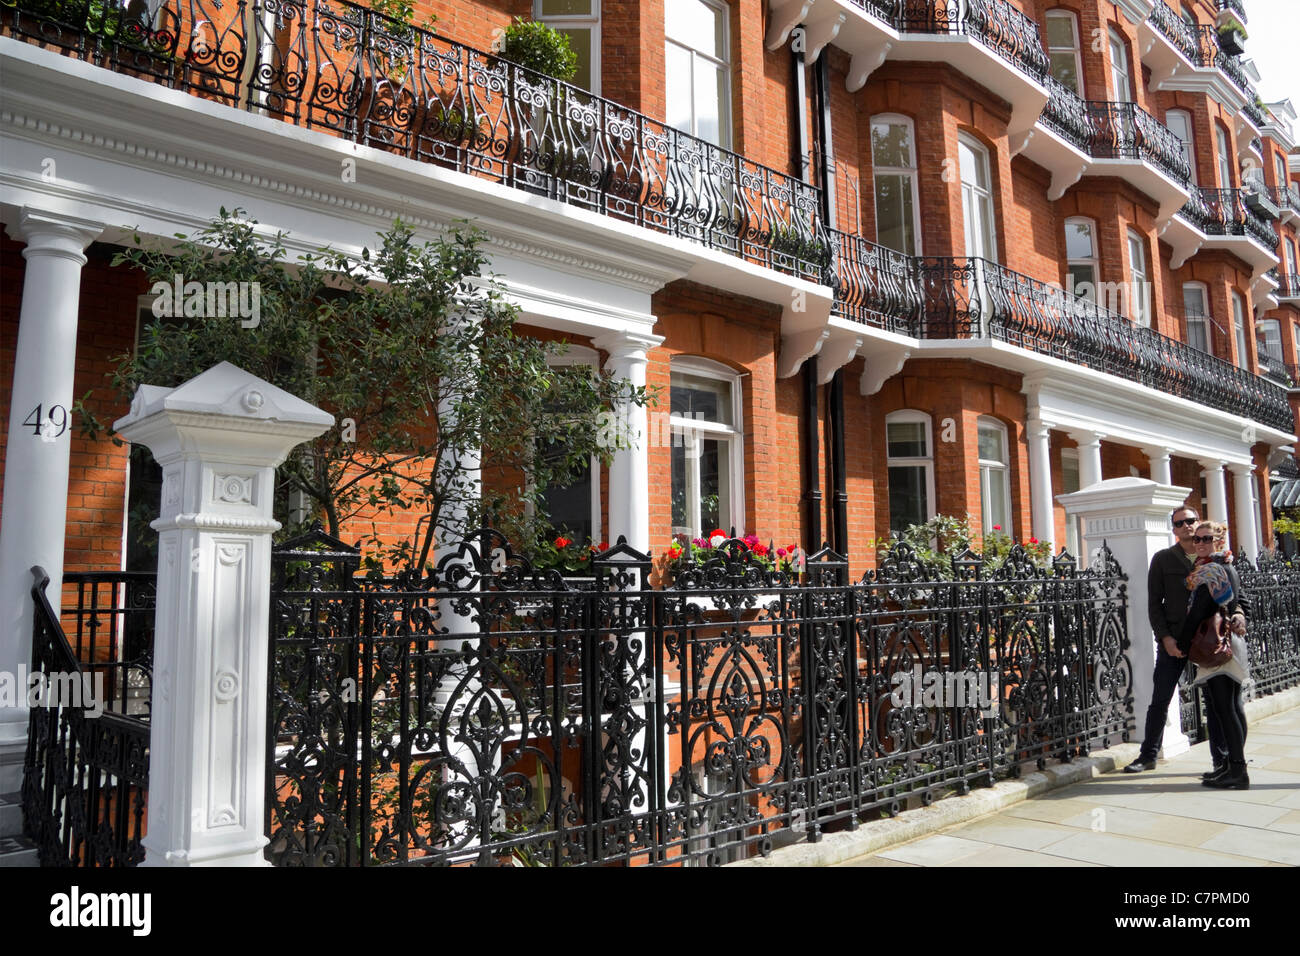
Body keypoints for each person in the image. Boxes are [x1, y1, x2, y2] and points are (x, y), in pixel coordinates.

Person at [1123, 505, 1246, 774]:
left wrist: (1238, 615)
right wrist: (1165, 638)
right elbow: (1154, 604)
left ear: (1198, 523)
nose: (1186, 527)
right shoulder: (1164, 559)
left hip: (1209, 641)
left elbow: (1238, 599)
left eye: (1190, 521)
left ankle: (1222, 760)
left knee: (1217, 703)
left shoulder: (1217, 560)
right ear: (1173, 529)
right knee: (1161, 698)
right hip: (1176, 640)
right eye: (1179, 523)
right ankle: (1148, 755)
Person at [1181, 521, 1251, 789]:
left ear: (1219, 541)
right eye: (1196, 539)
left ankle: (1237, 770)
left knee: (1226, 708)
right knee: (1230, 707)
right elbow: (1238, 602)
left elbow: (1199, 612)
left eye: (1206, 539)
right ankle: (1229, 767)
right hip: (1228, 643)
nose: (1200, 543)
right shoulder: (1225, 566)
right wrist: (1239, 614)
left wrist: (1182, 644)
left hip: (1217, 645)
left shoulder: (1212, 570)